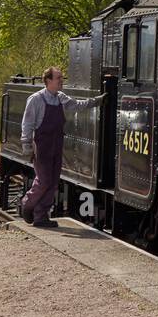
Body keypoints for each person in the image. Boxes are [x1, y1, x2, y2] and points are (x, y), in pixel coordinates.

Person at [18, 66, 104, 228]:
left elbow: (77, 105)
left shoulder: (61, 98)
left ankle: (41, 216)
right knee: (43, 180)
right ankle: (27, 204)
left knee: (53, 182)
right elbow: (27, 124)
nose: (61, 82)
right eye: (58, 78)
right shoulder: (35, 99)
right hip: (42, 145)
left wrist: (96, 101)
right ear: (48, 80)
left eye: (62, 78)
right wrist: (27, 145)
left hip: (57, 144)